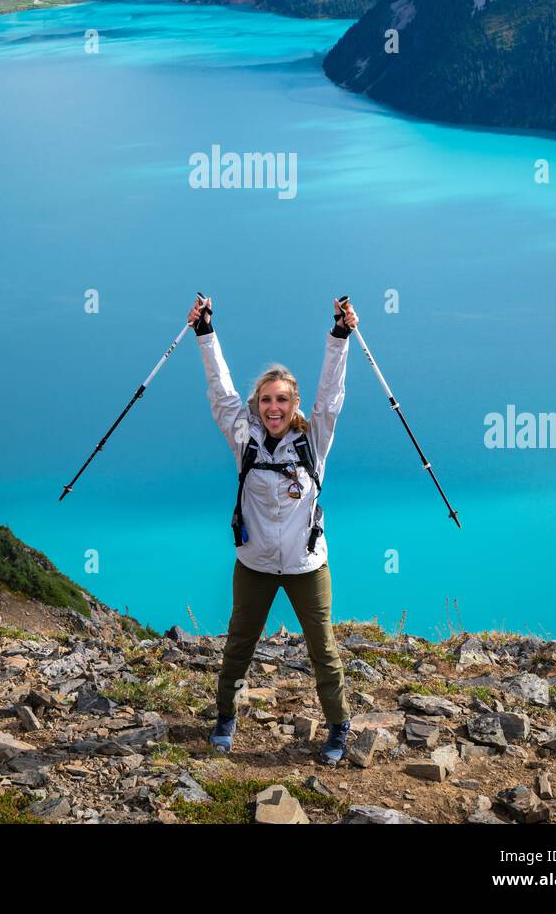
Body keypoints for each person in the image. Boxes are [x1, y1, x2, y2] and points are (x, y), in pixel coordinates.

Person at [187, 292, 359, 765]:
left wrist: (339, 336)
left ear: (294, 402)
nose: (273, 407)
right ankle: (225, 717)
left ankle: (339, 726)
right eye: (266, 400)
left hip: (307, 564)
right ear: (256, 405)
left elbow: (332, 396)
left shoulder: (313, 439)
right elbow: (220, 392)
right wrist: (205, 332)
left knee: (323, 648)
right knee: (240, 643)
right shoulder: (244, 439)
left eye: (282, 399)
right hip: (256, 563)